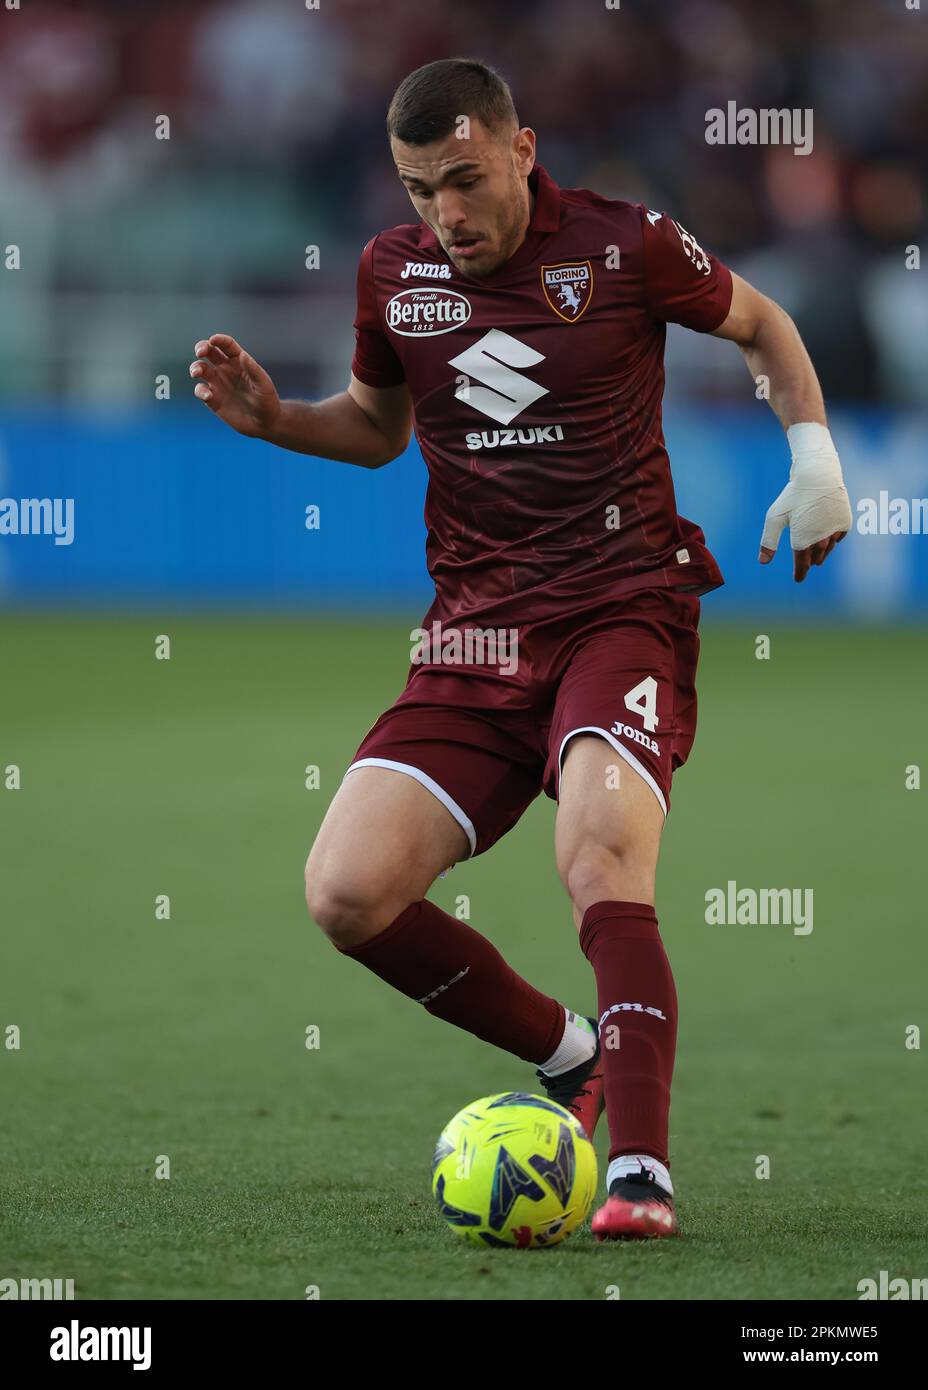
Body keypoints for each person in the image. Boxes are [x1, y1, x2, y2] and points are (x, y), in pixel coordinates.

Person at [190, 58, 851, 1240]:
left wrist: (814, 462)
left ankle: (639, 1169)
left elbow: (763, 323)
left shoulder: (624, 245)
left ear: (521, 150)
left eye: (463, 178)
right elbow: (381, 427)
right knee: (345, 893)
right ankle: (571, 1057)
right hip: (472, 635)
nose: (444, 213)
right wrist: (277, 421)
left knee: (597, 852)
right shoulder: (393, 274)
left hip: (621, 609)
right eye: (417, 188)